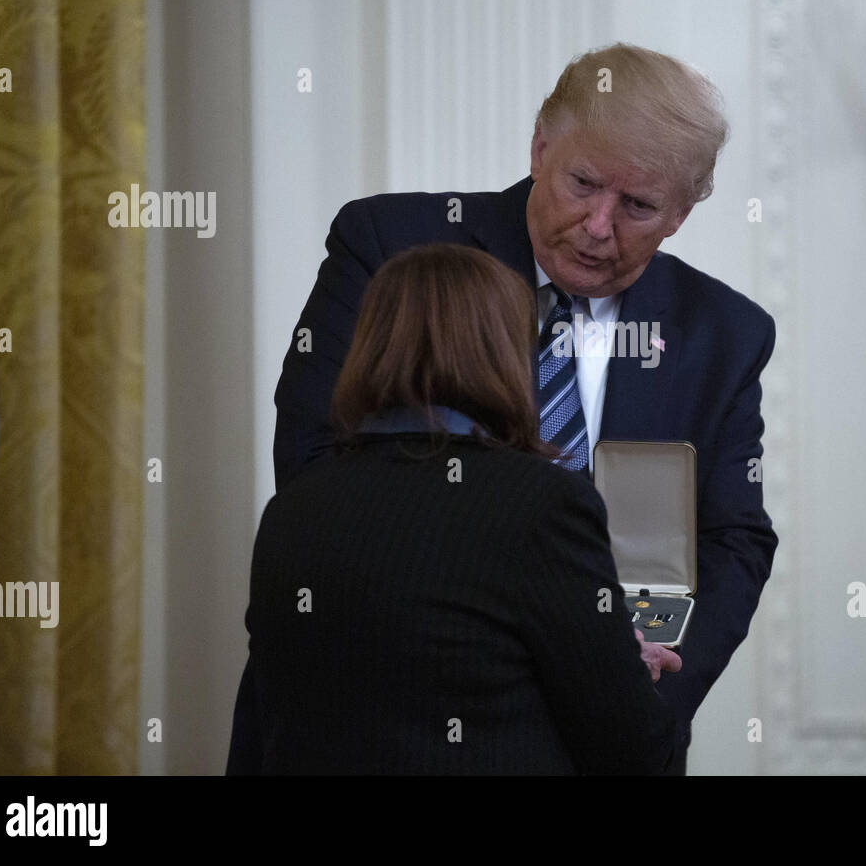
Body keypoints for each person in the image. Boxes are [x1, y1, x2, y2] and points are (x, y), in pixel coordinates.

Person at [272, 43, 777, 774]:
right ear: (541, 144)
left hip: (603, 743)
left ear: (684, 210)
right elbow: (318, 470)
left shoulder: (723, 333)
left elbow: (732, 541)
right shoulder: (396, 248)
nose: (600, 225)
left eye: (638, 206)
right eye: (583, 183)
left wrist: (642, 691)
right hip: (386, 725)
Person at [227, 244, 678, 774]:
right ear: (503, 352)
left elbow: (270, 728)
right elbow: (632, 747)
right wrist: (625, 668)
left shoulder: (292, 511)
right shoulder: (544, 505)